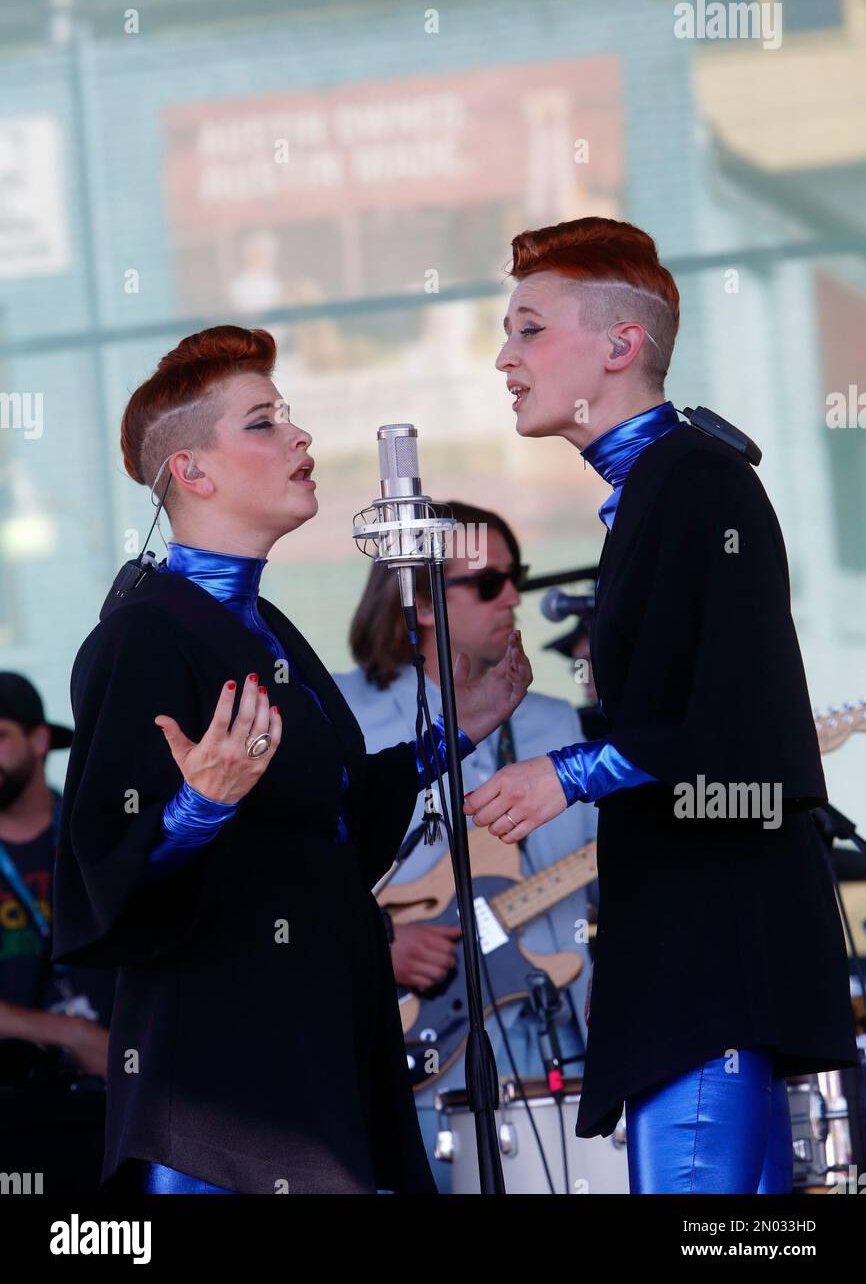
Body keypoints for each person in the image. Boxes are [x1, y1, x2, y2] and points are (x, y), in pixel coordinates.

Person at [51, 324, 531, 1195]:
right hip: (224, 1098)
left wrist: (455, 733)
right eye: (264, 422)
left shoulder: (266, 629)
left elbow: (326, 821)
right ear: (192, 472)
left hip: (324, 1045)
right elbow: (103, 872)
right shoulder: (142, 636)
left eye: (289, 416)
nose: (300, 437)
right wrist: (197, 806)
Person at [463, 217, 858, 1194]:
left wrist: (565, 770)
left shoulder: (692, 482)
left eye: (527, 329)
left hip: (707, 951)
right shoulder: (664, 487)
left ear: (618, 345)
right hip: (707, 940)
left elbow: (734, 721)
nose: (503, 359)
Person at [334, 503, 598, 1191]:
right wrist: (376, 945)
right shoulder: (340, 713)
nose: (514, 597)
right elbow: (286, 884)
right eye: (487, 584)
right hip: (407, 1059)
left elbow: (605, 885)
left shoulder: (554, 718)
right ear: (419, 602)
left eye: (518, 577)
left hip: (559, 1044)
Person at [0, 672, 112, 1076]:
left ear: (40, 742)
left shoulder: (98, 836)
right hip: (18, 1107)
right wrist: (69, 1034)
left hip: (121, 1099)